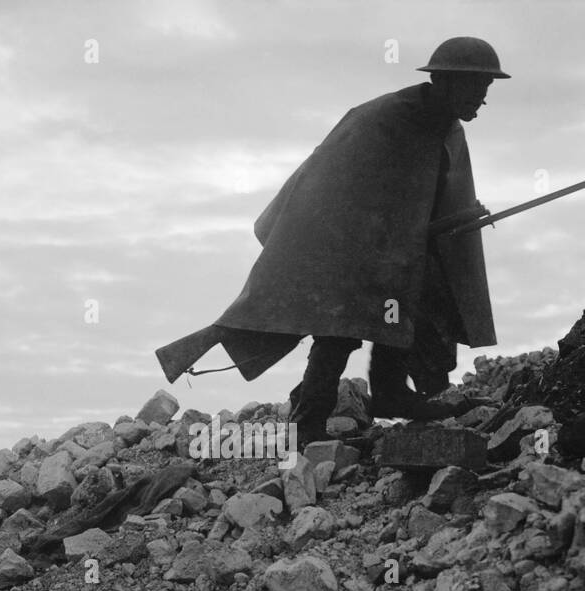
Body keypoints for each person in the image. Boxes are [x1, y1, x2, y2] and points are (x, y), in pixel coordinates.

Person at [200, 37, 512, 448]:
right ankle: (309, 420)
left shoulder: (448, 130)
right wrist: (380, 240)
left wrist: (459, 218)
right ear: (445, 81)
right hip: (341, 241)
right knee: (340, 328)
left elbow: (422, 203)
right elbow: (336, 187)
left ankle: (391, 393)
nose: (483, 99)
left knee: (408, 305)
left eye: (487, 89)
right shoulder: (382, 120)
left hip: (395, 252)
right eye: (478, 88)